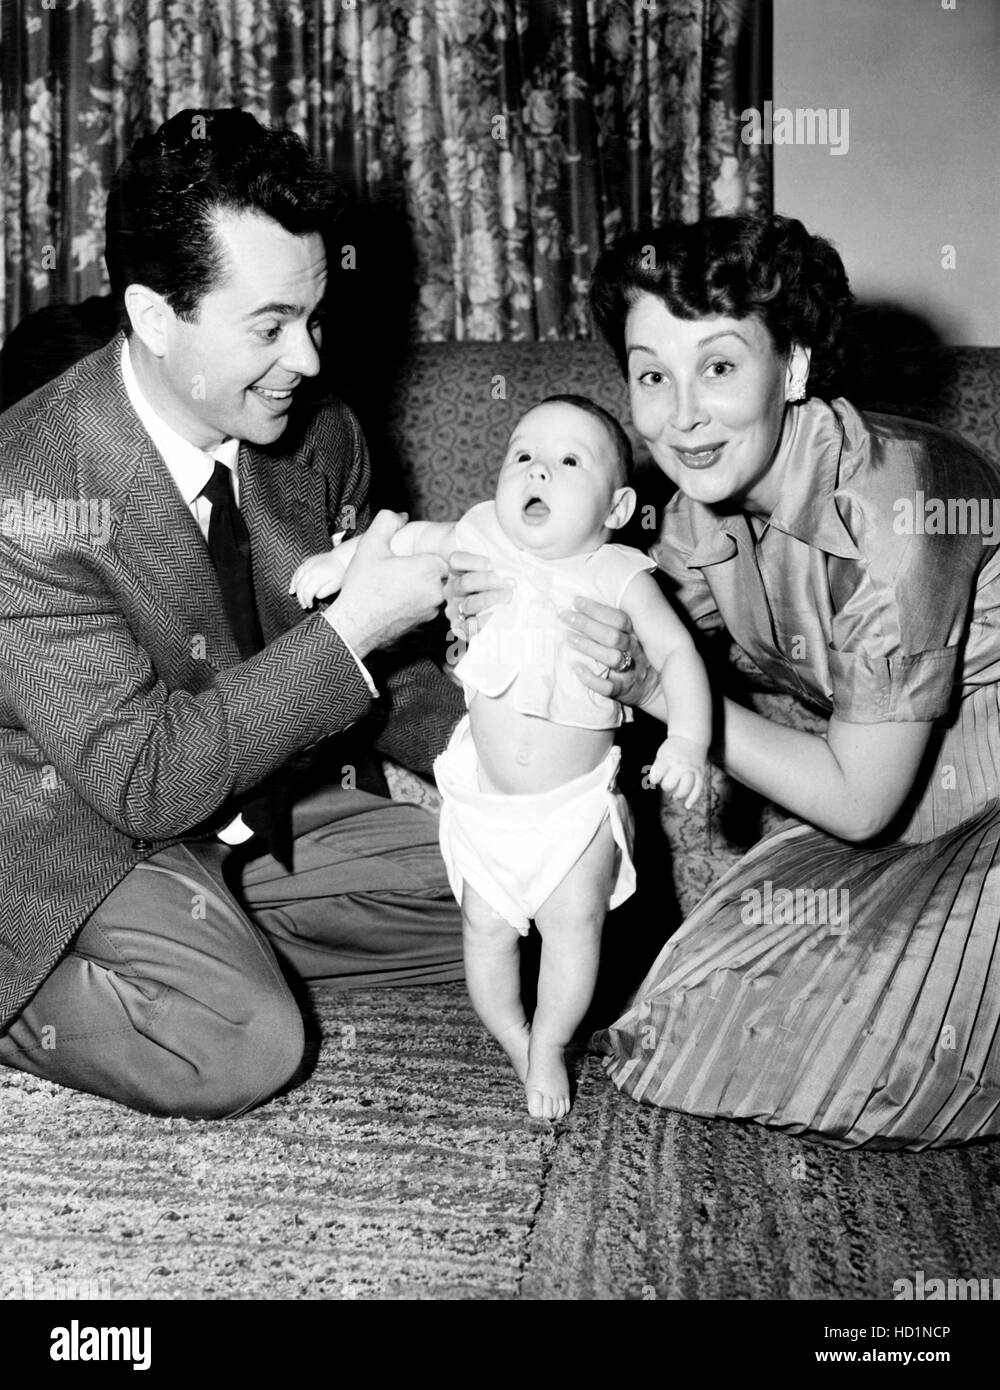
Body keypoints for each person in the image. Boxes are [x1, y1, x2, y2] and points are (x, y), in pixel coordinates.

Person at [451, 213, 1000, 1151]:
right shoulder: (698, 519)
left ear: (791, 368)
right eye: (652, 376)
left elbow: (861, 804)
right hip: (902, 817)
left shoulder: (901, 500)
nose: (682, 416)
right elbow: (609, 615)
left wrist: (658, 697)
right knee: (675, 1029)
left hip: (954, 801)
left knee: (875, 1060)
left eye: (718, 367)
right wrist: (491, 592)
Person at [0, 108, 469, 1120]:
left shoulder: (321, 435)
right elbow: (143, 780)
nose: (305, 358)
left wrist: (501, 771)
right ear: (157, 317)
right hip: (60, 822)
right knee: (245, 1042)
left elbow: (385, 673)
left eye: (313, 316)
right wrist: (351, 630)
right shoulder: (26, 492)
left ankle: (224, 929)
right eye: (267, 325)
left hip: (237, 802)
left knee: (527, 891)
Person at [290, 395, 712, 1119]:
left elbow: (678, 654)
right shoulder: (482, 535)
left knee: (574, 933)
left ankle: (550, 1040)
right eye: (523, 455)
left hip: (571, 815)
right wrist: (341, 561)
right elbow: (411, 538)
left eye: (568, 461)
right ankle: (513, 1037)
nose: (538, 471)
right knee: (484, 935)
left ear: (616, 508)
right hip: (484, 802)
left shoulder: (621, 574)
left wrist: (689, 741)